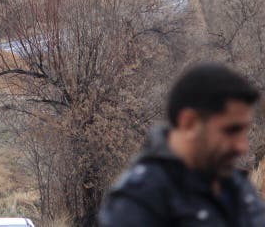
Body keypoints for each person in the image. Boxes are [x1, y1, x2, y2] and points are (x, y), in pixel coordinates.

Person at [99, 63, 265, 226]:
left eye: (244, 131)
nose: (242, 146)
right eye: (231, 130)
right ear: (189, 123)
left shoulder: (235, 186)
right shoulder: (139, 203)